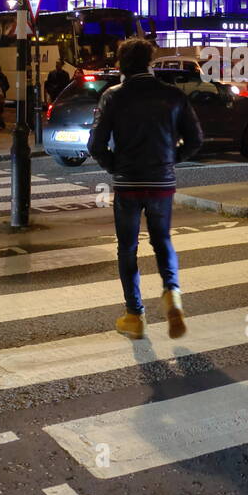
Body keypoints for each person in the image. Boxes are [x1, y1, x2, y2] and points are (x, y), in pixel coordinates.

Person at [88, 37, 203, 340]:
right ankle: (172, 294)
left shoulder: (113, 97)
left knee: (127, 248)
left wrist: (115, 165)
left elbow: (95, 144)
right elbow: (195, 140)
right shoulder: (173, 96)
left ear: (121, 64)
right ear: (150, 63)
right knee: (162, 240)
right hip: (161, 181)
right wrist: (170, 159)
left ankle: (134, 315)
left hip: (128, 182)